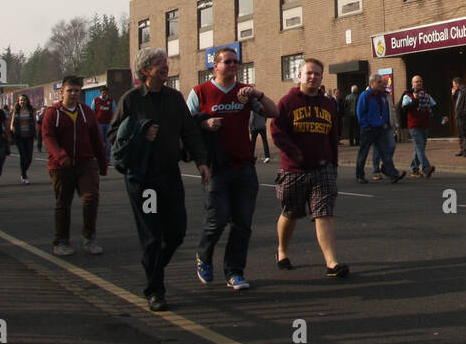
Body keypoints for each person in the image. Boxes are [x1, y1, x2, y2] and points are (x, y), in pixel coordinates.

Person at [107, 47, 209, 312]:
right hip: (143, 179)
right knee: (152, 236)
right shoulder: (131, 100)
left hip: (169, 175)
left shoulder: (174, 99)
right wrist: (141, 133)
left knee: (176, 232)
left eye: (165, 62)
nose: (165, 66)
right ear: (145, 71)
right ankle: (155, 290)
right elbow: (113, 136)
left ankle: (153, 266)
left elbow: (190, 133)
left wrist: (201, 162)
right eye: (158, 63)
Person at [189, 47, 276, 291]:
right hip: (216, 168)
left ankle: (234, 271)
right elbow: (185, 127)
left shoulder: (244, 93)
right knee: (217, 219)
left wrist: (258, 94)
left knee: (242, 223)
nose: (232, 65)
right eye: (227, 62)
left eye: (236, 62)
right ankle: (203, 255)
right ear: (215, 67)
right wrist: (204, 124)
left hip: (244, 166)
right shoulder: (200, 93)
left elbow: (273, 111)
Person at [272, 57, 349, 278]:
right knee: (291, 213)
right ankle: (282, 250)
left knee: (324, 213)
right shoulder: (287, 102)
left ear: (321, 78)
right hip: (293, 170)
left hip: (322, 168)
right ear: (299, 76)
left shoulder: (328, 104)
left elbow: (332, 136)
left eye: (317, 74)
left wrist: (333, 164)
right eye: (309, 73)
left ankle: (331, 263)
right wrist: (294, 153)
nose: (313, 77)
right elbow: (276, 132)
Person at [43, 76, 108, 256]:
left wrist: (102, 164)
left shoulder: (86, 112)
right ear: (62, 92)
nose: (73, 94)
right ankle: (61, 241)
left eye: (76, 91)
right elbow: (48, 138)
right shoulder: (52, 113)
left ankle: (89, 238)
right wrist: (61, 156)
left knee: (91, 198)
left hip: (85, 163)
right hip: (60, 166)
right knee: (63, 203)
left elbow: (97, 139)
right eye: (69, 90)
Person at [356, 74, 404, 183]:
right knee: (363, 152)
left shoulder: (382, 96)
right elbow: (360, 113)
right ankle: (360, 175)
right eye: (378, 82)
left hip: (380, 129)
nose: (381, 84)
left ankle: (393, 174)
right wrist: (366, 126)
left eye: (381, 82)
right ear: (372, 83)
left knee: (385, 152)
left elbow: (386, 110)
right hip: (368, 130)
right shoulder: (365, 95)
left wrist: (386, 123)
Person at [402, 76, 438, 174]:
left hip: (424, 125)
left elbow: (434, 105)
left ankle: (414, 169)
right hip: (414, 126)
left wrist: (443, 116)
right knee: (419, 145)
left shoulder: (426, 95)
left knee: (419, 148)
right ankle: (426, 168)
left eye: (420, 81)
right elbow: (405, 108)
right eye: (416, 81)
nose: (419, 83)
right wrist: (415, 100)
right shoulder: (408, 95)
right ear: (412, 83)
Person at [9, 93, 38, 184]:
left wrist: (36, 131)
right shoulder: (16, 111)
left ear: (27, 101)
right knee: (23, 156)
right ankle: (24, 175)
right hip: (19, 137)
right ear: (18, 101)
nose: (22, 102)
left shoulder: (31, 110)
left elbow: (35, 121)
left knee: (29, 158)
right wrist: (12, 130)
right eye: (21, 100)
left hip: (29, 136)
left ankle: (23, 171)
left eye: (24, 100)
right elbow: (12, 123)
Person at [451, 76, 466, 158]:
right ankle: (462, 149)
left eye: (453, 84)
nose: (453, 86)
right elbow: (455, 103)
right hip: (458, 115)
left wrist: (463, 113)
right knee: (459, 133)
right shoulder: (458, 91)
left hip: (463, 116)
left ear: (457, 83)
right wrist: (453, 94)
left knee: (464, 132)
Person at [92, 89, 115, 155]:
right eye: (103, 93)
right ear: (100, 93)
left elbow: (114, 112)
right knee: (100, 141)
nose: (104, 94)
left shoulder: (111, 101)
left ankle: (107, 157)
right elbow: (92, 112)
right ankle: (99, 155)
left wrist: (113, 122)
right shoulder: (96, 100)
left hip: (108, 124)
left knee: (108, 141)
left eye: (105, 93)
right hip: (99, 124)